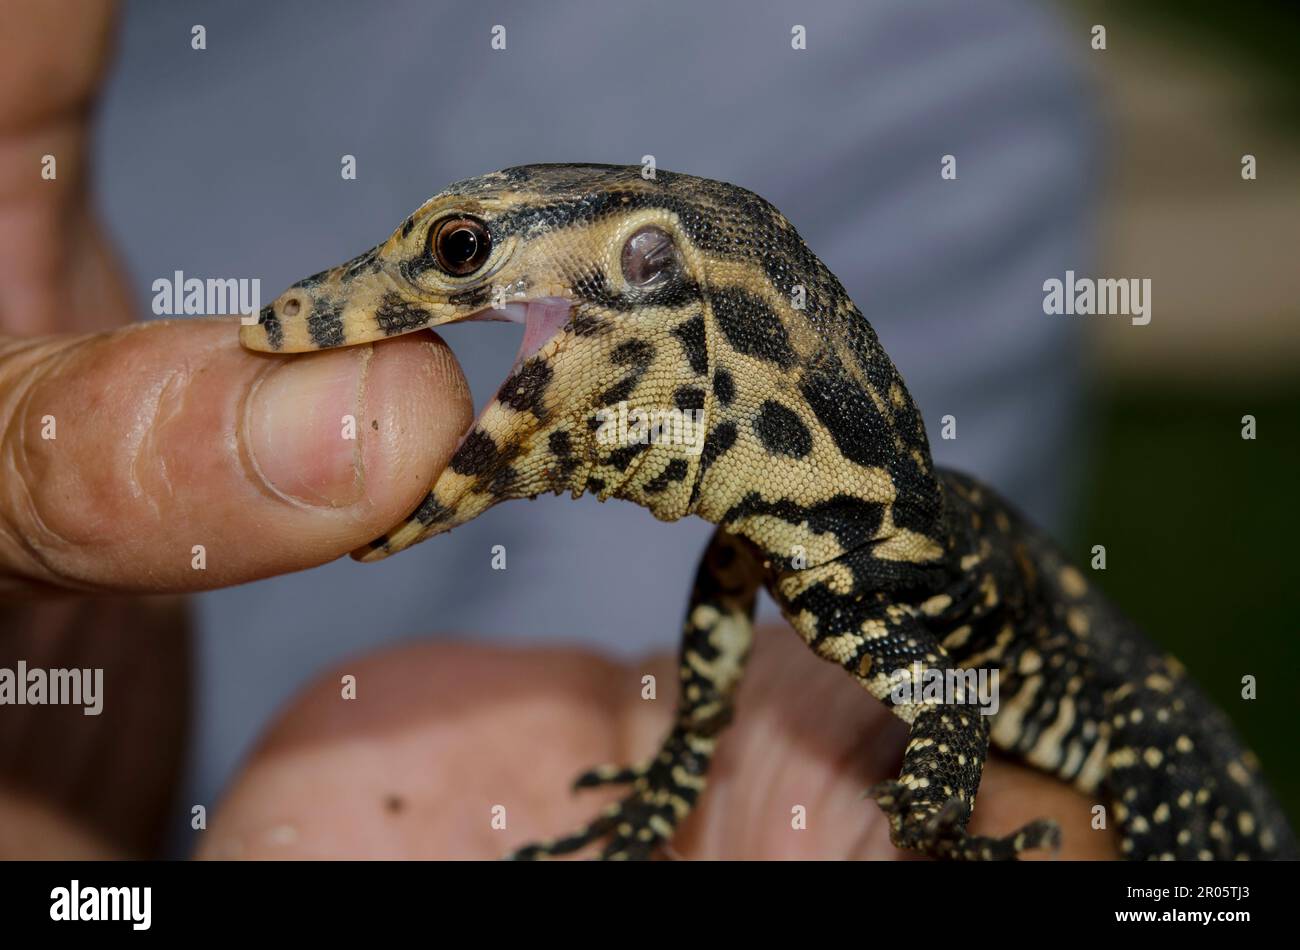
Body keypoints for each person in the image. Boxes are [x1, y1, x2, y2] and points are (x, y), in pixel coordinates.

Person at [1, 0, 1105, 858]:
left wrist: (933, 827)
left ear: (643, 268)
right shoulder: (770, 545)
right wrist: (683, 766)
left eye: (461, 254)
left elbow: (955, 700)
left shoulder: (900, 80)